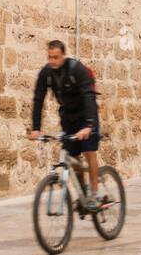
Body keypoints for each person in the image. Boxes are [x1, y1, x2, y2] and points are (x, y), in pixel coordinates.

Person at [27, 40, 102, 209]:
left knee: (89, 152)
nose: (52, 61)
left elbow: (89, 96)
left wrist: (89, 125)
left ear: (63, 56)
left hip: (86, 116)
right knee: (73, 156)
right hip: (68, 117)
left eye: (56, 57)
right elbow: (38, 99)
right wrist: (36, 129)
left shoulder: (77, 69)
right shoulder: (46, 73)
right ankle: (83, 193)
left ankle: (95, 195)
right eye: (49, 57)